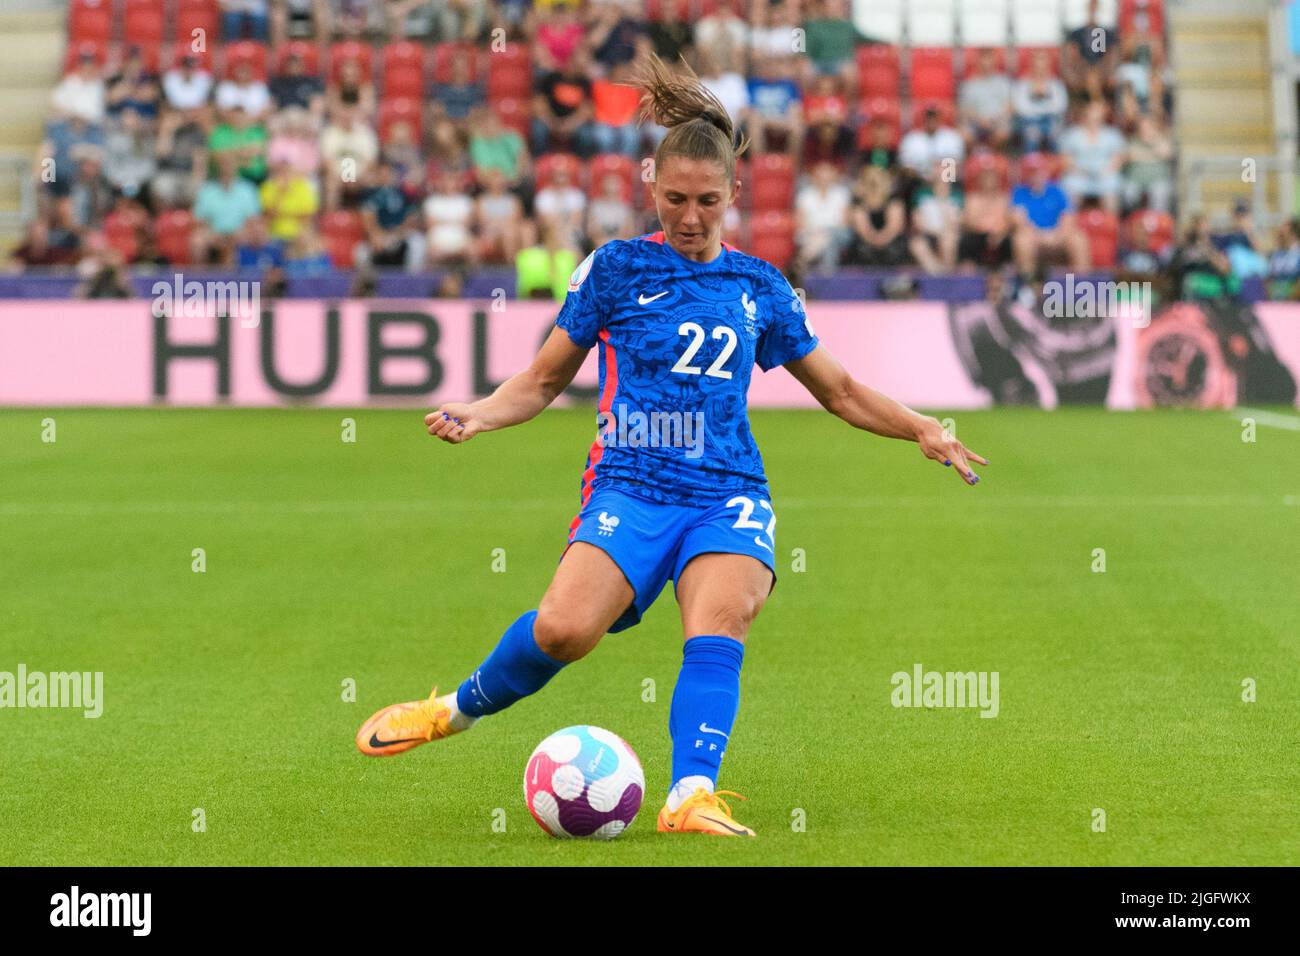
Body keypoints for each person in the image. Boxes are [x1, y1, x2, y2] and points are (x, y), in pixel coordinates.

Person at [355, 53, 988, 837]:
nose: (691, 217)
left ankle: (690, 793)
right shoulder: (616, 268)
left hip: (728, 490)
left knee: (720, 623)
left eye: (709, 202)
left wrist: (922, 425)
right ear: (652, 186)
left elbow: (842, 390)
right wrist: (483, 412)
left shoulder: (760, 286)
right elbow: (545, 379)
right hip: (631, 484)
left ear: (735, 194)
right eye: (677, 199)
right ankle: (451, 710)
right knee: (563, 632)